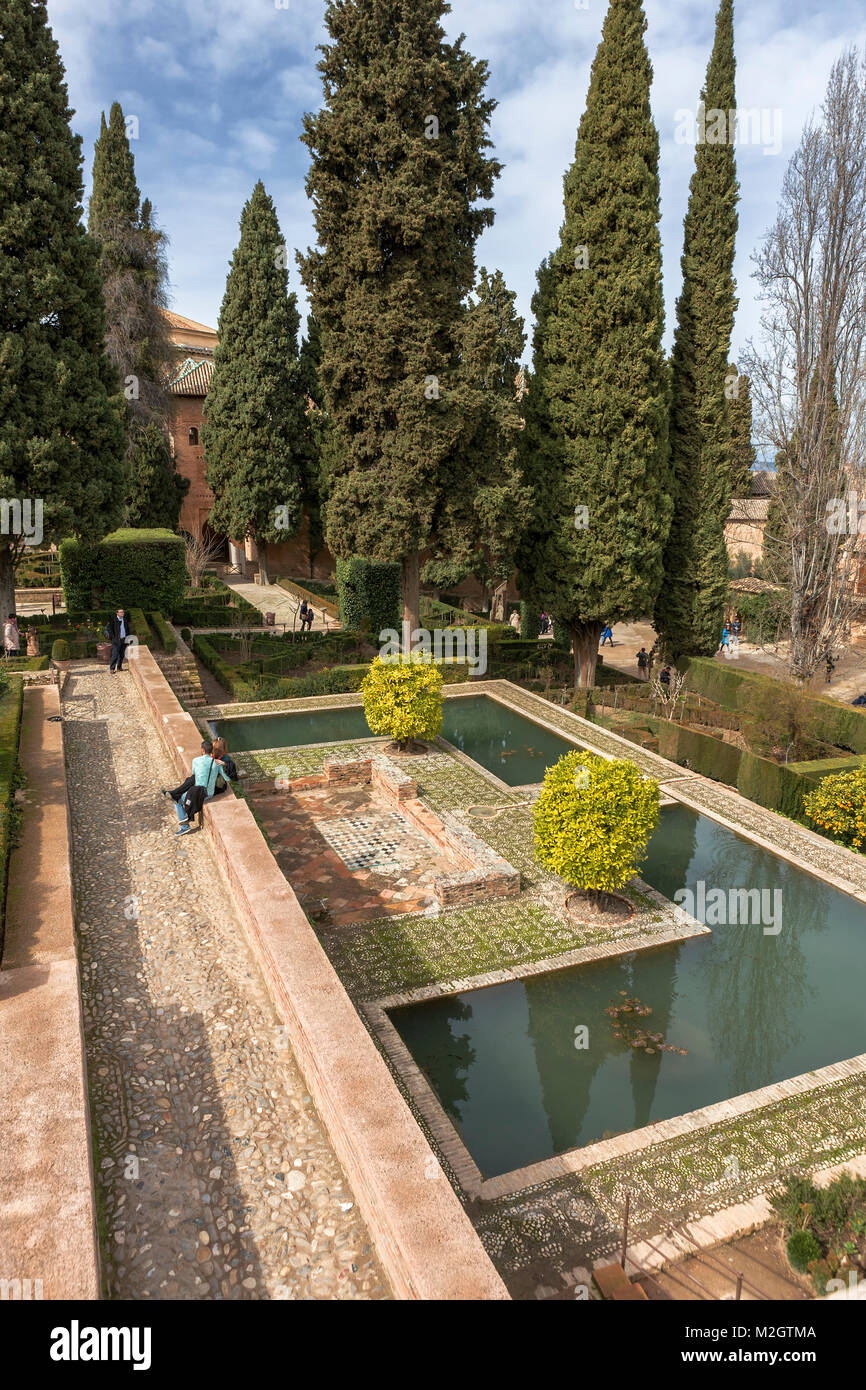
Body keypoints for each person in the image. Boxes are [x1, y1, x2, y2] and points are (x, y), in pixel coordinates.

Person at [161, 739, 230, 836]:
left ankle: (185, 827)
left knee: (177, 800)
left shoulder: (196, 760)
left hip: (198, 792)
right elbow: (227, 778)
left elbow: (194, 774)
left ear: (202, 750)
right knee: (183, 796)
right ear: (211, 751)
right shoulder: (217, 763)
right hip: (209, 793)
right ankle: (185, 816)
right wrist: (223, 764)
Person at [107, 607, 130, 672]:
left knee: (122, 655)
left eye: (123, 612)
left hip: (124, 639)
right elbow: (109, 629)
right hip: (116, 640)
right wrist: (113, 637)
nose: (122, 613)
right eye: (120, 612)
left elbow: (127, 630)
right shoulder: (113, 620)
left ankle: (119, 667)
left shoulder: (125, 620)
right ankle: (112, 668)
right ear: (117, 613)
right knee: (115, 654)